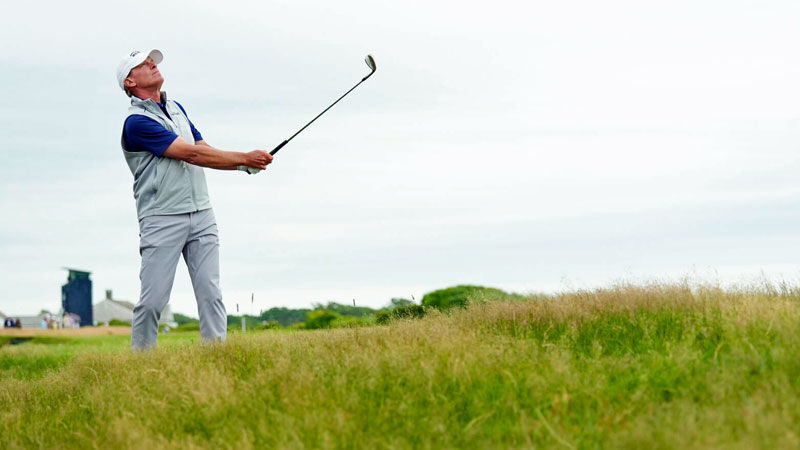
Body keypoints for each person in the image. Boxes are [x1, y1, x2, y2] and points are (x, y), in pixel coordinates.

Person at [116, 49, 273, 349]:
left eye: (152, 61)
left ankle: (216, 357)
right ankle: (139, 366)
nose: (152, 64)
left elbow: (201, 146)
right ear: (129, 82)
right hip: (162, 217)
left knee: (210, 293)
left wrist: (243, 164)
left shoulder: (175, 108)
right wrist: (243, 157)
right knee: (153, 302)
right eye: (143, 64)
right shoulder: (135, 123)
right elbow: (190, 153)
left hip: (201, 213)